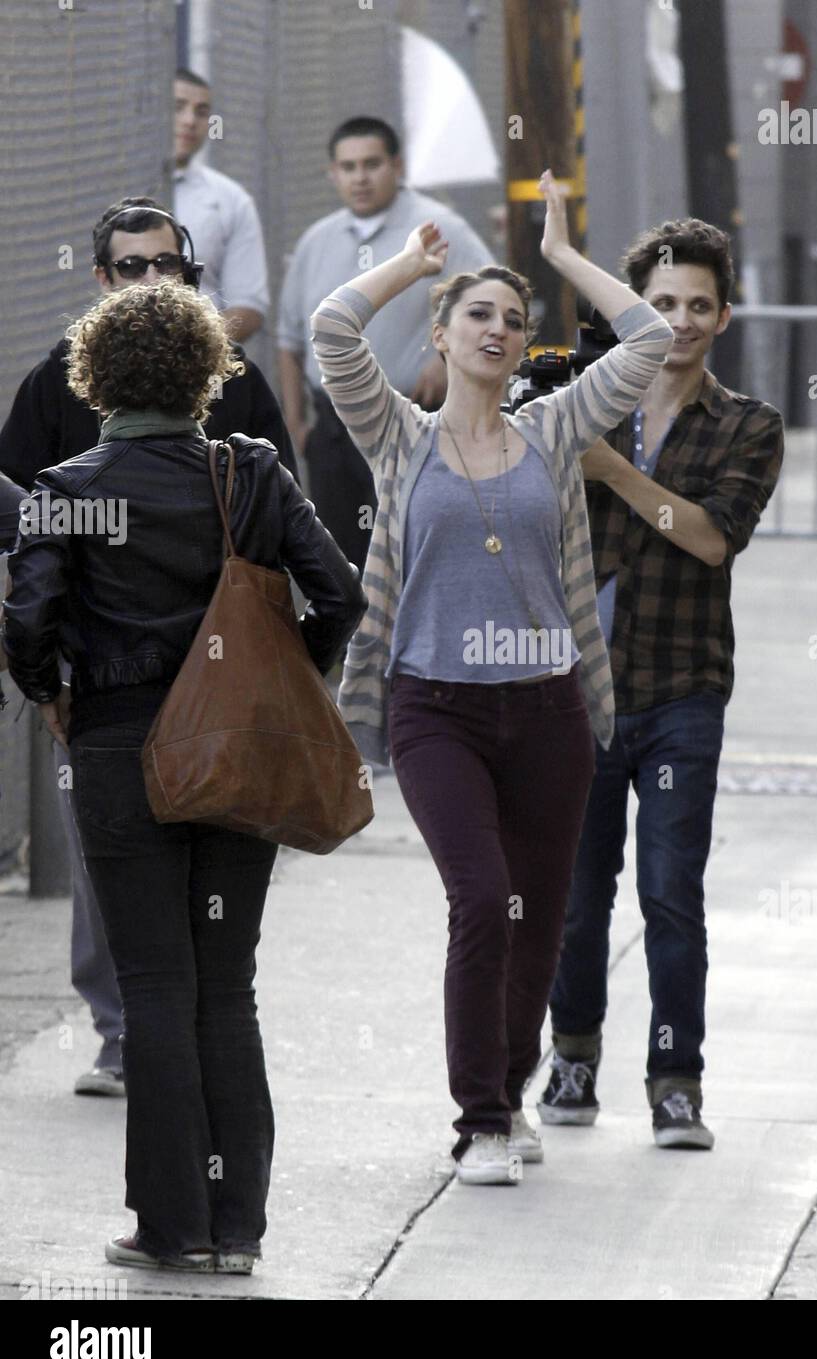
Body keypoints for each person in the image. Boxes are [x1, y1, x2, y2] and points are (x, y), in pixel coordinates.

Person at [311, 171, 674, 1185]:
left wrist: (563, 257)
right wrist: (411, 264)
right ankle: (476, 1118)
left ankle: (508, 1097)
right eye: (477, 313)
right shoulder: (398, 437)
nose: (498, 330)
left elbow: (644, 341)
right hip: (436, 709)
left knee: (538, 915)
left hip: (548, 708)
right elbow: (331, 331)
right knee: (480, 898)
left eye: (514, 320)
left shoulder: (553, 431)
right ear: (443, 334)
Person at [2, 279, 366, 1272]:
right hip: (239, 745)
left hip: (121, 749)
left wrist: (54, 694)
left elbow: (28, 623)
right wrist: (292, 677)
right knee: (225, 983)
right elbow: (339, 590)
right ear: (208, 374)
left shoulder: (69, 492)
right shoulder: (249, 475)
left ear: (96, 377)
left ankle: (171, 1226)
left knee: (154, 983)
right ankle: (236, 1227)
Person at [0, 196, 297, 1101]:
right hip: (108, 681)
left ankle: (184, 1034)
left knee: (212, 891)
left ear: (191, 273)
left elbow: (292, 537)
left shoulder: (238, 383)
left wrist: (282, 671)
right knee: (107, 874)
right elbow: (20, 520)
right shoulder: (58, 383)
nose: (150, 281)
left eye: (166, 264)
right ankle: (125, 1031)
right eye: (130, 267)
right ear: (100, 279)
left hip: (221, 679)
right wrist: (46, 675)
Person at [537, 217, 783, 1150]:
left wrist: (612, 472)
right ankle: (573, 1058)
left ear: (724, 316)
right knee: (575, 890)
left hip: (684, 685)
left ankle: (676, 1082)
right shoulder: (581, 402)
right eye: (660, 303)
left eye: (696, 305)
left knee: (672, 893)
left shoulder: (748, 426)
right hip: (582, 687)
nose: (677, 321)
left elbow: (714, 536)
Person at [279, 115, 492, 569]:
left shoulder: (438, 230)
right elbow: (290, 340)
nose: (360, 177)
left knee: (418, 554)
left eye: (372, 164)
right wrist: (297, 424)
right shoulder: (317, 241)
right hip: (335, 435)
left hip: (414, 423)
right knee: (343, 562)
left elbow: (491, 303)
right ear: (332, 173)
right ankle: (356, 643)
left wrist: (444, 358)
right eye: (348, 166)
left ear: (397, 165)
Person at [173, 68, 269, 343]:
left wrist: (192, 349)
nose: (190, 120)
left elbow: (249, 305)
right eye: (177, 107)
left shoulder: (230, 200)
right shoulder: (114, 188)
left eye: (201, 112)